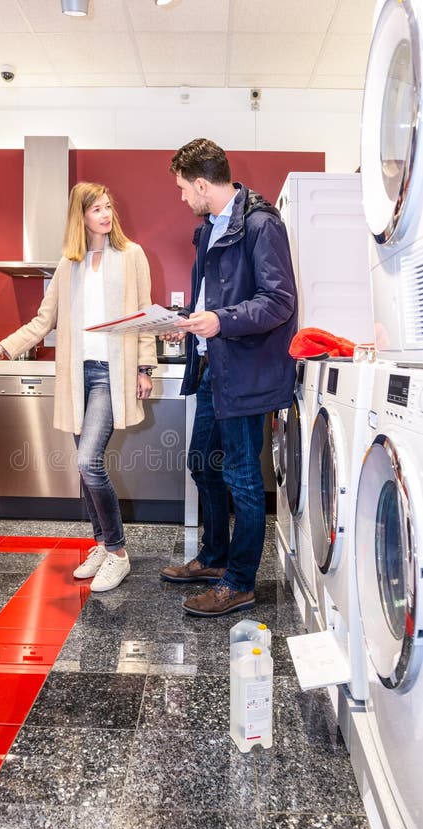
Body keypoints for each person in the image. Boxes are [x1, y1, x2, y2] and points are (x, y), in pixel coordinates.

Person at [0, 182, 157, 592]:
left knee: (89, 462)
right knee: (83, 468)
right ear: (81, 217)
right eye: (97, 210)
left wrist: (145, 367)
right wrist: (2, 349)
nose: (106, 215)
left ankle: (118, 552)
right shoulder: (68, 265)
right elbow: (42, 321)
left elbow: (143, 315)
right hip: (76, 377)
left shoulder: (132, 256)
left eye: (108, 207)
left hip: (111, 374)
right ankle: (101, 544)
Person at [159, 138, 297, 617]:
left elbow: (279, 301)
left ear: (201, 183)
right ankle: (215, 559)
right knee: (202, 464)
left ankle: (239, 582)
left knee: (241, 478)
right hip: (214, 369)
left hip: (246, 373)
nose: (182, 198)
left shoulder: (260, 224)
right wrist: (185, 317)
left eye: (183, 189)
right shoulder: (211, 229)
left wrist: (221, 320)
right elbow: (210, 296)